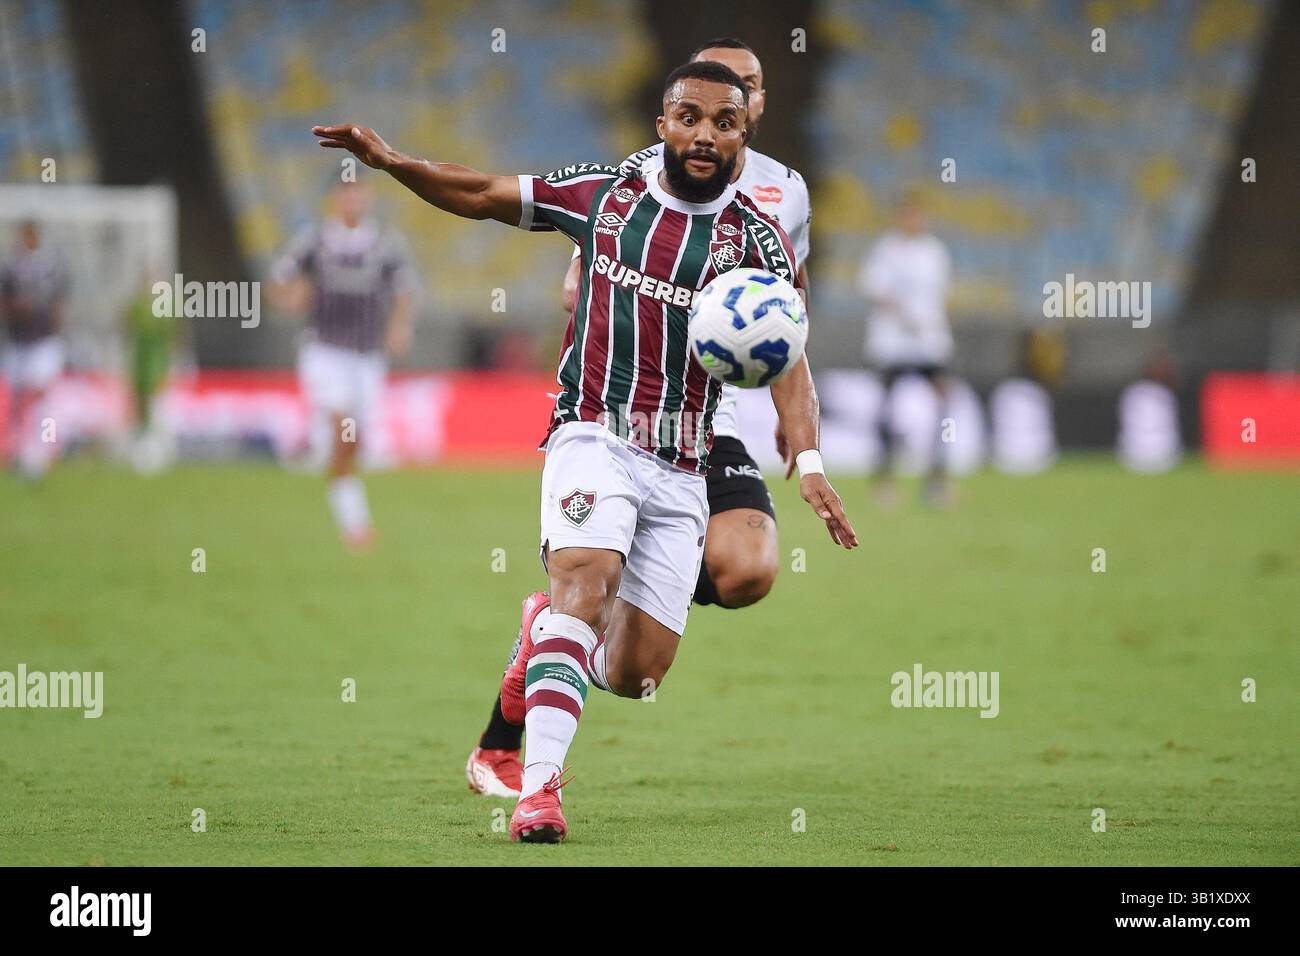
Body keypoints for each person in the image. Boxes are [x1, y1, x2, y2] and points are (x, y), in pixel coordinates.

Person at [313, 59, 857, 842]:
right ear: (663, 123)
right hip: (593, 431)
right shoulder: (607, 196)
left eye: (724, 122)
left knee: (637, 675)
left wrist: (808, 463)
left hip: (683, 463)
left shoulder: (760, 242)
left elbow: (791, 361)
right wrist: (394, 162)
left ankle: (542, 638)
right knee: (587, 581)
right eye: (690, 117)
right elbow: (483, 194)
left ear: (746, 133)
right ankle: (539, 794)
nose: (705, 134)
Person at [467, 36, 816, 800]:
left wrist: (795, 408)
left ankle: (575, 614)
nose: (736, 101)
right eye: (711, 97)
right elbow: (576, 279)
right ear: (673, 111)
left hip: (710, 415)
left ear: (756, 107)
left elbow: (788, 306)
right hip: (618, 409)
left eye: (749, 90)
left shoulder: (785, 193)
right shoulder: (638, 175)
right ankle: (543, 719)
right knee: (589, 583)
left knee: (747, 573)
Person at [269, 181, 416, 551]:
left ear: (368, 197)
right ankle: (355, 523)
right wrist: (292, 299)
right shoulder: (314, 241)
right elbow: (278, 284)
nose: (353, 199)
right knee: (343, 428)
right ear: (334, 198)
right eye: (346, 192)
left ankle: (325, 462)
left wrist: (399, 326)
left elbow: (404, 290)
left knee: (354, 439)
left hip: (367, 354)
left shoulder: (385, 242)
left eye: (359, 192)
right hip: (325, 350)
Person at [858, 193, 953, 504]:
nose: (914, 222)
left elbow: (939, 296)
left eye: (919, 216)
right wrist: (902, 311)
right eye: (909, 216)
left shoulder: (935, 251)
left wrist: (926, 321)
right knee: (887, 408)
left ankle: (936, 480)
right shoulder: (886, 250)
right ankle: (885, 480)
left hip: (928, 340)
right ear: (899, 218)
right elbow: (873, 288)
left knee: (941, 406)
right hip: (892, 342)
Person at [1, 221, 70, 479]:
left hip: (43, 341)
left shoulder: (50, 266)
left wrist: (51, 318)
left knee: (39, 396)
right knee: (19, 399)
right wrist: (19, 309)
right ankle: (18, 450)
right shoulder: (11, 267)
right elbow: (5, 301)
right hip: (18, 341)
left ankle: (39, 452)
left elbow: (59, 300)